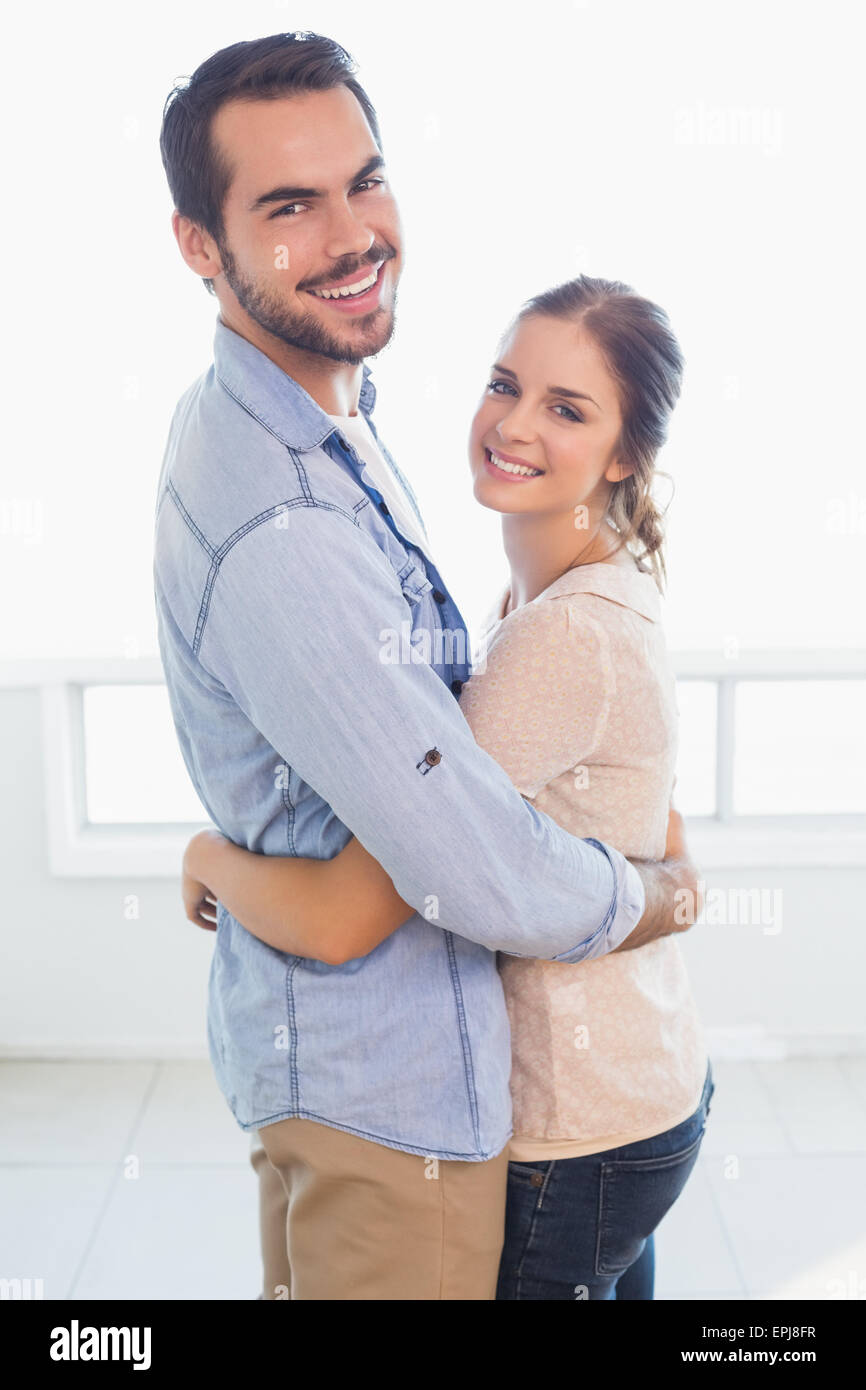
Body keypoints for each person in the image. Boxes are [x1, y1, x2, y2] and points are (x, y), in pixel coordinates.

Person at [156, 31, 700, 1301]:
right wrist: (656, 895)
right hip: (399, 1104)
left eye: (365, 179)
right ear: (200, 245)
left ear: (623, 456)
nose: (351, 233)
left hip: (564, 1120)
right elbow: (449, 864)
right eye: (290, 205)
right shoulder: (287, 518)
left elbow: (376, 892)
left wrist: (210, 863)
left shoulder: (323, 420)